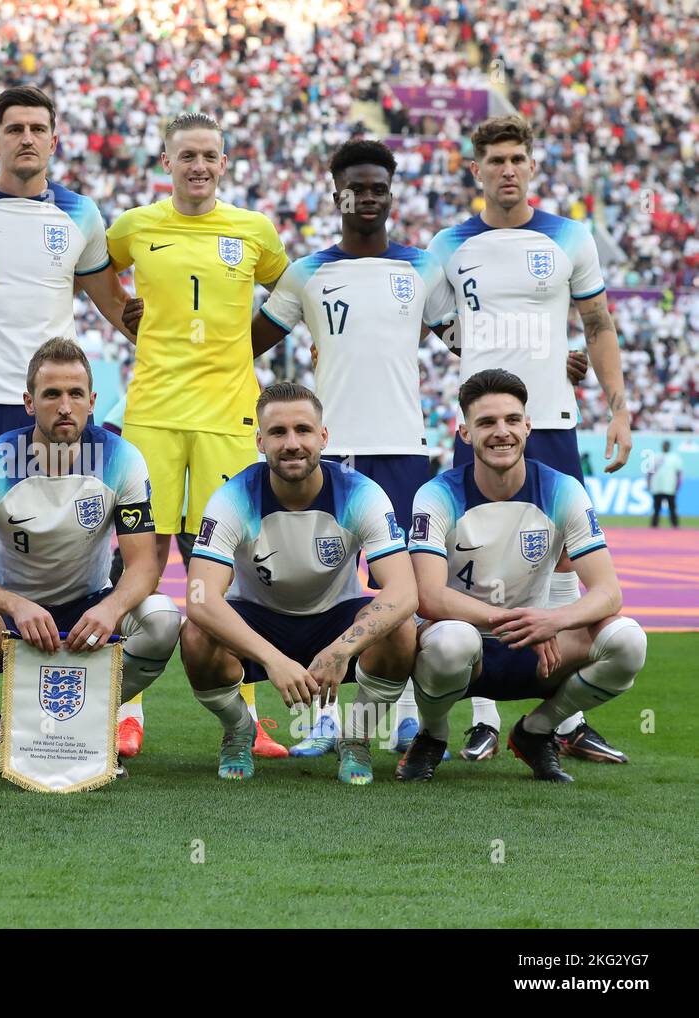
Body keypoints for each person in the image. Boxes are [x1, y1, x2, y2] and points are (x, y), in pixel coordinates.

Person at [0, 84, 136, 756]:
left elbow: (113, 304)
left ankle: (112, 709)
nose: (25, 138)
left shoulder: (80, 213)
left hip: (61, 407)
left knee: (80, 534)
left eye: (37, 128)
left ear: (54, 139)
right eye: (13, 127)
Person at [428, 115, 633, 765]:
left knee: (566, 564)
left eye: (518, 158)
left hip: (554, 422)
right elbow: (436, 324)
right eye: (496, 160)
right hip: (485, 426)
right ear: (477, 169)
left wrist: (619, 409)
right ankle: (483, 716)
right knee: (478, 562)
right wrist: (493, 357)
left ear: (532, 167)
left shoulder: (570, 236)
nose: (508, 169)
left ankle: (561, 720)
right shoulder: (448, 243)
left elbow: (598, 324)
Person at [255, 138, 453, 758]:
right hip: (328, 452)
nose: (367, 197)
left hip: (401, 445)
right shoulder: (307, 272)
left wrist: (556, 360)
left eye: (378, 188)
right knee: (325, 588)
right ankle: (321, 714)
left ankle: (403, 713)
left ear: (391, 195)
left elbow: (470, 343)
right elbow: (245, 342)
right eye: (356, 187)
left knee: (407, 590)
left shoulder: (423, 268)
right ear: (335, 193)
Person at [107, 112, 290, 759]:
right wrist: (122, 316)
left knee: (229, 567)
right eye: (187, 154)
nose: (199, 166)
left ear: (223, 161)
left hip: (228, 417)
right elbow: (96, 269)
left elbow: (291, 290)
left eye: (210, 154)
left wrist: (256, 344)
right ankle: (124, 709)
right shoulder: (136, 227)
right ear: (166, 159)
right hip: (153, 413)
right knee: (138, 560)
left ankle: (245, 714)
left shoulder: (252, 231)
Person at [0, 338, 181, 777]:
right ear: (29, 403)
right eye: (51, 395)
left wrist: (111, 608)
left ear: (92, 400)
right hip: (8, 619)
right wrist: (15, 604)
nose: (65, 406)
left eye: (75, 394)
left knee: (163, 619)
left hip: (87, 613)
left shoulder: (123, 458)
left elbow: (143, 565)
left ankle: (93, 723)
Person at [403, 369, 647, 781]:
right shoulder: (437, 493)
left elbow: (608, 592)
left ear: (528, 426)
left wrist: (554, 620)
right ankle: (433, 734)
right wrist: (517, 622)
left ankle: (536, 731)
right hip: (468, 645)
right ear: (464, 433)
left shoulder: (562, 489)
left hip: (540, 648)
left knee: (628, 642)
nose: (502, 432)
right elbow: (428, 596)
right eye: (486, 423)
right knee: (449, 643)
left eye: (512, 420)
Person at [181, 382, 419, 784]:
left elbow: (404, 592)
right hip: (258, 620)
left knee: (402, 629)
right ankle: (240, 728)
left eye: (303, 430)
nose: (292, 443)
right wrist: (272, 659)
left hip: (333, 620)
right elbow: (200, 597)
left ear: (323, 436)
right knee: (195, 636)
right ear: (260, 441)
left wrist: (343, 648)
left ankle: (356, 736)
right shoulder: (233, 496)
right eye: (278, 433)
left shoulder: (360, 493)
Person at [648, 440, 683, 528]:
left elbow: (679, 472)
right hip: (657, 486)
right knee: (656, 507)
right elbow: (650, 472)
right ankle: (654, 525)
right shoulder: (656, 456)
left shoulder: (675, 458)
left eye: (666, 445)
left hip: (670, 486)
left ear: (669, 446)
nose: (665, 447)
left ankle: (675, 525)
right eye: (664, 445)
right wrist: (649, 482)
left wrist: (678, 484)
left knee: (672, 507)